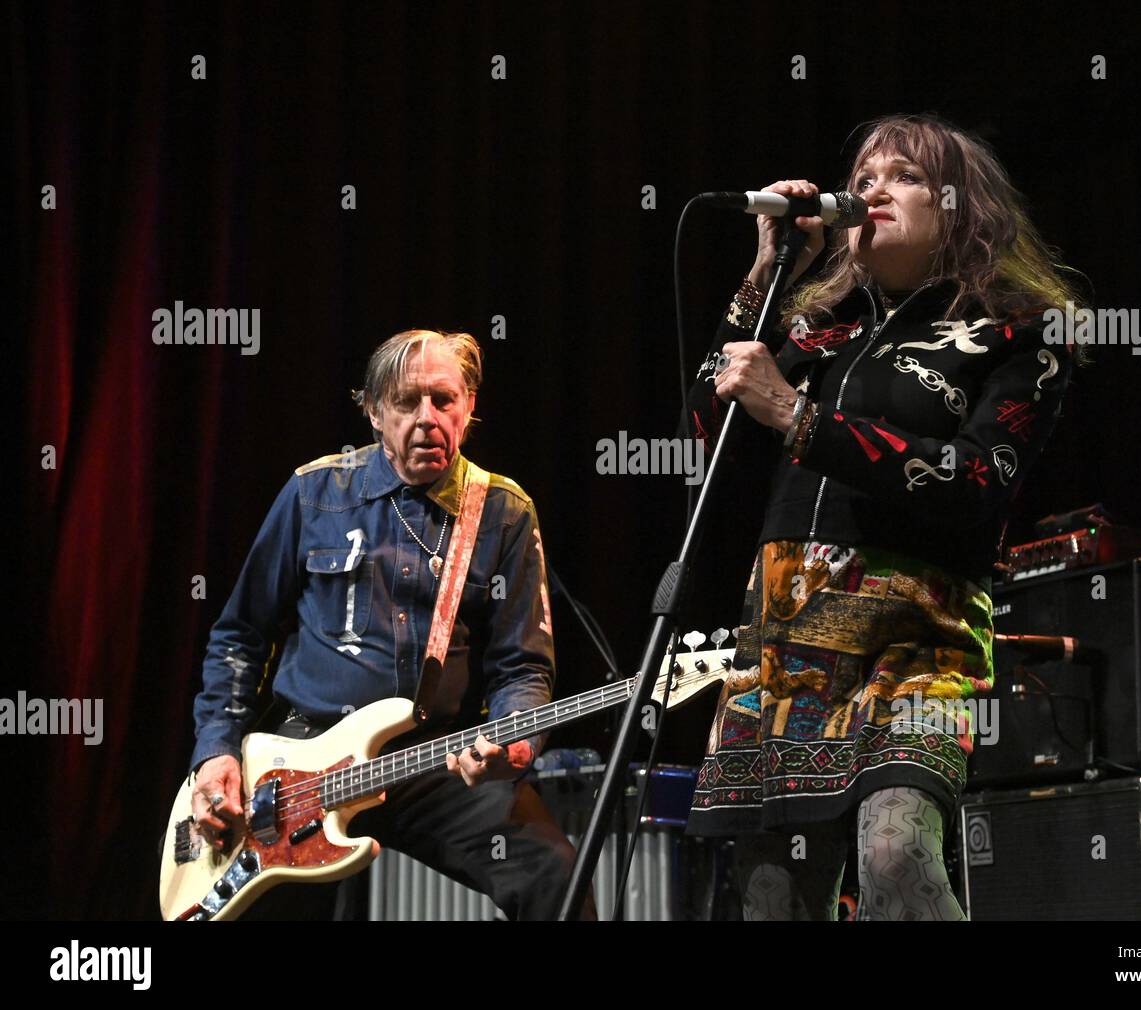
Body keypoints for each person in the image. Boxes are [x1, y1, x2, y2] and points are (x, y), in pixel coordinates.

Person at [684, 113, 1086, 920]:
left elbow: (978, 477)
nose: (871, 190)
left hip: (919, 639)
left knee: (895, 852)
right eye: (863, 177)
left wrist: (799, 418)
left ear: (959, 205)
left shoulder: (1022, 332)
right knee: (774, 893)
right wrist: (768, 270)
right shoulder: (815, 325)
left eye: (900, 175)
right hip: (788, 648)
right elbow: (707, 412)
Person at [188, 328, 592, 920]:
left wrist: (513, 742)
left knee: (555, 875)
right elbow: (239, 635)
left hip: (432, 764)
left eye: (444, 400)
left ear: (469, 405)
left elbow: (521, 664)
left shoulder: (504, 511)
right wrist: (217, 752)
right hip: (301, 761)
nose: (427, 418)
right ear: (375, 411)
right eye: (407, 402)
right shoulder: (315, 492)